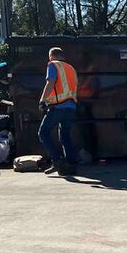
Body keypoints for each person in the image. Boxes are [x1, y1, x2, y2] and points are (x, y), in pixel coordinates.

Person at [38, 47, 79, 175]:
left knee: (43, 133)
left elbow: (50, 82)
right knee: (65, 136)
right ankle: (71, 165)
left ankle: (57, 161)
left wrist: (42, 100)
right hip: (71, 107)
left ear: (52, 56)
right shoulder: (71, 68)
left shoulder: (53, 65)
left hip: (58, 107)